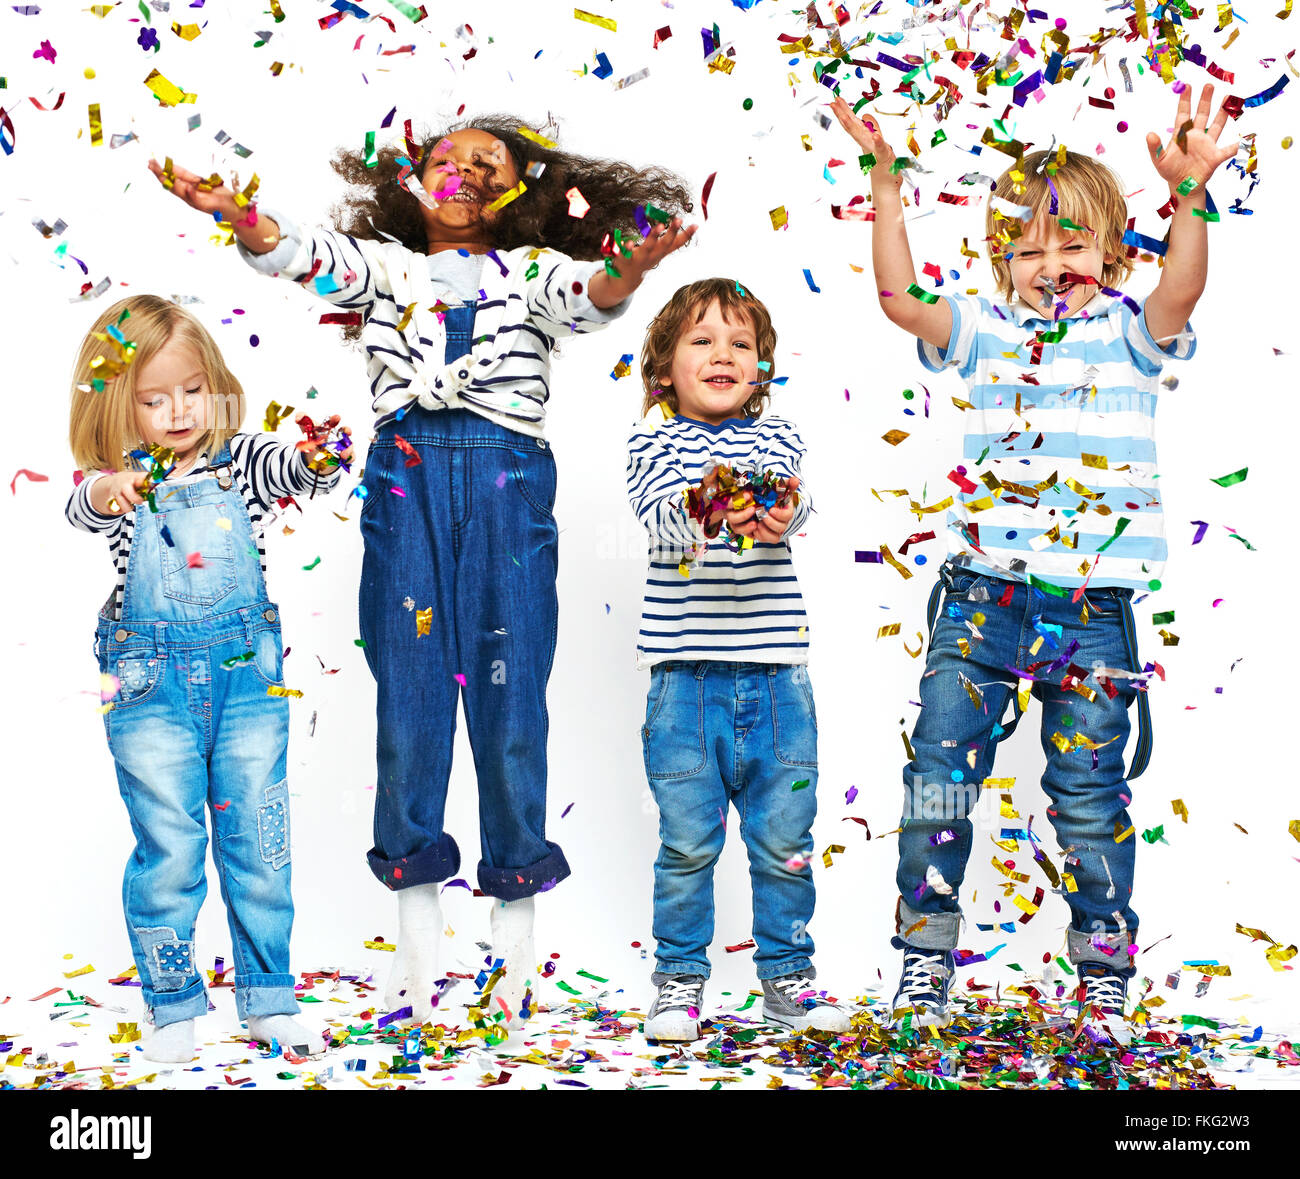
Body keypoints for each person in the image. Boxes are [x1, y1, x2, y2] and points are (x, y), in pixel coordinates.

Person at [149, 115, 695, 1030]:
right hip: (405, 484)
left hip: (508, 485)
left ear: (521, 190)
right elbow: (300, 254)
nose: (466, 172)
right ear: (411, 181)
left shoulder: (532, 274)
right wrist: (238, 216)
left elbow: (593, 292)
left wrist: (631, 265)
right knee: (409, 701)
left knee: (511, 701)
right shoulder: (384, 270)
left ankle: (514, 935)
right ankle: (416, 937)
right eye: (448, 159)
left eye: (490, 163)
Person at [831, 85, 1239, 1035]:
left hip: (1092, 613)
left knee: (1088, 792)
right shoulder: (982, 328)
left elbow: (1184, 288)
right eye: (1028, 248)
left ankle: (1103, 968)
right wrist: (886, 187)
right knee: (939, 775)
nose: (1051, 266)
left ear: (1114, 250)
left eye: (1072, 245)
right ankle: (924, 958)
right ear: (1000, 257)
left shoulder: (1132, 332)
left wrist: (1190, 196)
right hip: (981, 600)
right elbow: (899, 300)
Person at [66, 295, 351, 1062]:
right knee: (170, 847)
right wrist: (107, 489)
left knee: (259, 840)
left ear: (215, 385)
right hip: (148, 687)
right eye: (154, 399)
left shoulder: (242, 459)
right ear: (117, 405)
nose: (179, 410)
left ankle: (269, 998)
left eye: (192, 389)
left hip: (247, 683)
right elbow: (81, 508)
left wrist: (319, 456)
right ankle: (171, 1003)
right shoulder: (123, 480)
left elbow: (298, 471)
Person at [626, 277, 851, 1041]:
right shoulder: (652, 442)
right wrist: (710, 504)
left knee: (784, 841)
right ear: (665, 368)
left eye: (740, 343)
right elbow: (663, 522)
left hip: (779, 678)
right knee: (688, 844)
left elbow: (796, 500)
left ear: (761, 368)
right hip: (684, 682)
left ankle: (788, 979)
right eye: (702, 340)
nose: (723, 353)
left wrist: (781, 510)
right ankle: (678, 981)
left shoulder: (775, 435)